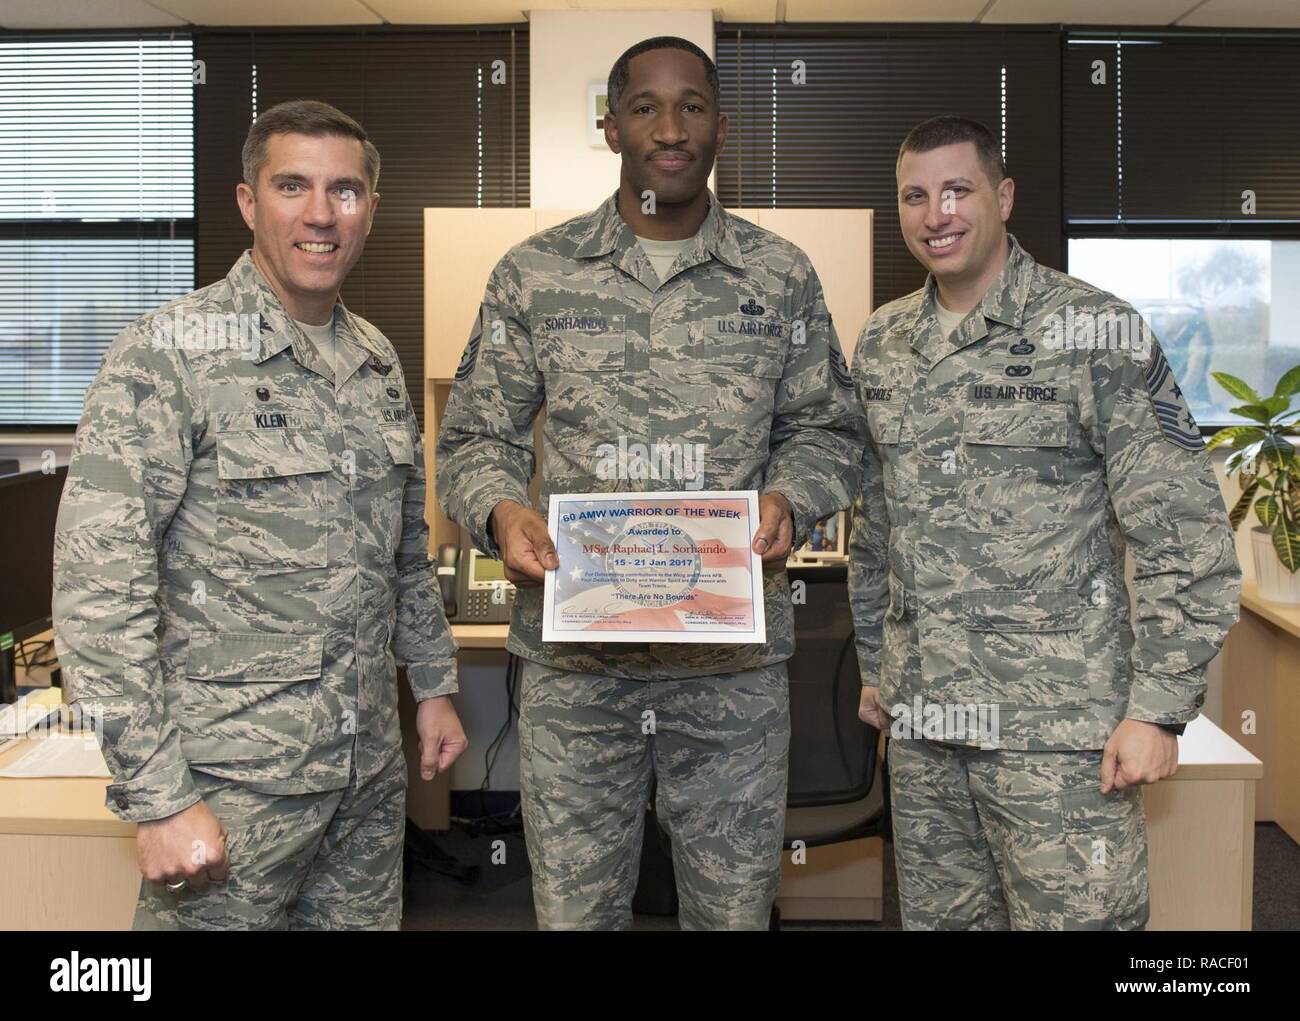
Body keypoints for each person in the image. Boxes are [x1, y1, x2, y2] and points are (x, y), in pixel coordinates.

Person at [436, 36, 865, 929]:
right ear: (611, 128)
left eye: (693, 106)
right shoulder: (536, 273)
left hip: (731, 669)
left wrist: (792, 497)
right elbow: (476, 434)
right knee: (577, 913)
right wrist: (505, 511)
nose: (670, 129)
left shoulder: (778, 275)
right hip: (579, 666)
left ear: (720, 127)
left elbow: (826, 427)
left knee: (734, 911)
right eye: (645, 107)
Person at [53, 99, 467, 930]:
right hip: (228, 789)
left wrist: (433, 685)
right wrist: (159, 796)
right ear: (248, 202)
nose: (321, 214)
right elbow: (98, 593)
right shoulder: (167, 355)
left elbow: (404, 553)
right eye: (293, 186)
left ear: (370, 209)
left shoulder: (376, 359)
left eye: (345, 191)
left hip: (364, 783)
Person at [848, 115, 1241, 930]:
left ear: (1004, 195)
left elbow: (1183, 530)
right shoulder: (884, 341)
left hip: (1058, 740)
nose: (937, 214)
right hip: (927, 734)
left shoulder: (1093, 331)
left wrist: (1160, 707)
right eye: (915, 196)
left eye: (958, 190)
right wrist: (879, 668)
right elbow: (878, 525)